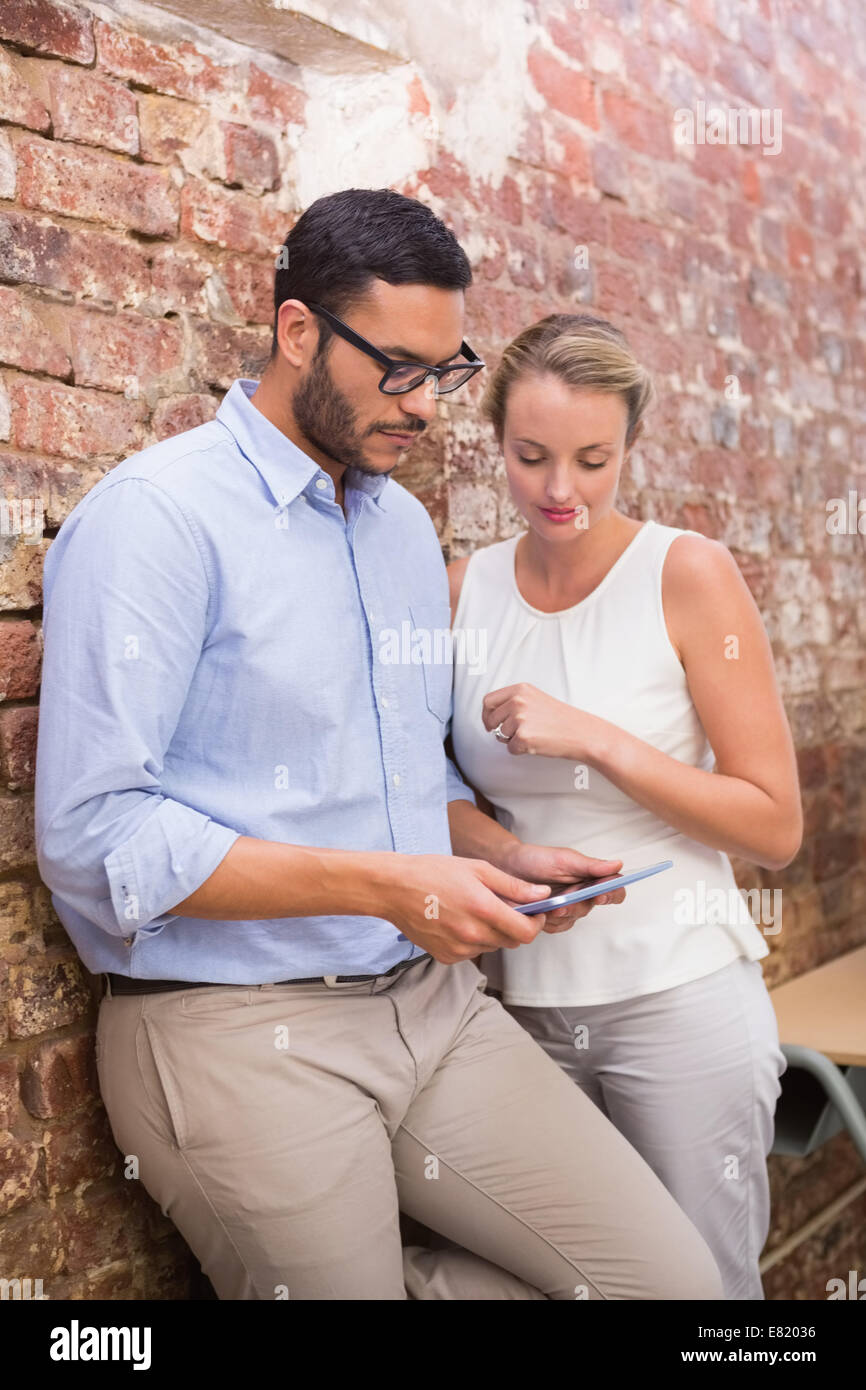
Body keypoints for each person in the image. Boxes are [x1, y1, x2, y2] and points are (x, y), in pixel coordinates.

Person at [34, 190, 723, 1301]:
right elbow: (92, 835)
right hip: (234, 1028)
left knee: (684, 1295)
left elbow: (403, 767)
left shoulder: (397, 525)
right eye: (397, 368)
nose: (426, 405)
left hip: (433, 1010)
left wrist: (493, 854)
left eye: (444, 371)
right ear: (297, 332)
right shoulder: (157, 519)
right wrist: (385, 883)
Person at [447, 311, 802, 1300]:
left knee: (706, 1296)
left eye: (591, 458)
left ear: (628, 447)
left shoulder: (685, 574)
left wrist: (595, 738)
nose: (559, 490)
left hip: (676, 999)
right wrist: (493, 847)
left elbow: (771, 824)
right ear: (495, 443)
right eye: (530, 457)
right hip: (519, 1009)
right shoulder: (458, 592)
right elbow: (410, 794)